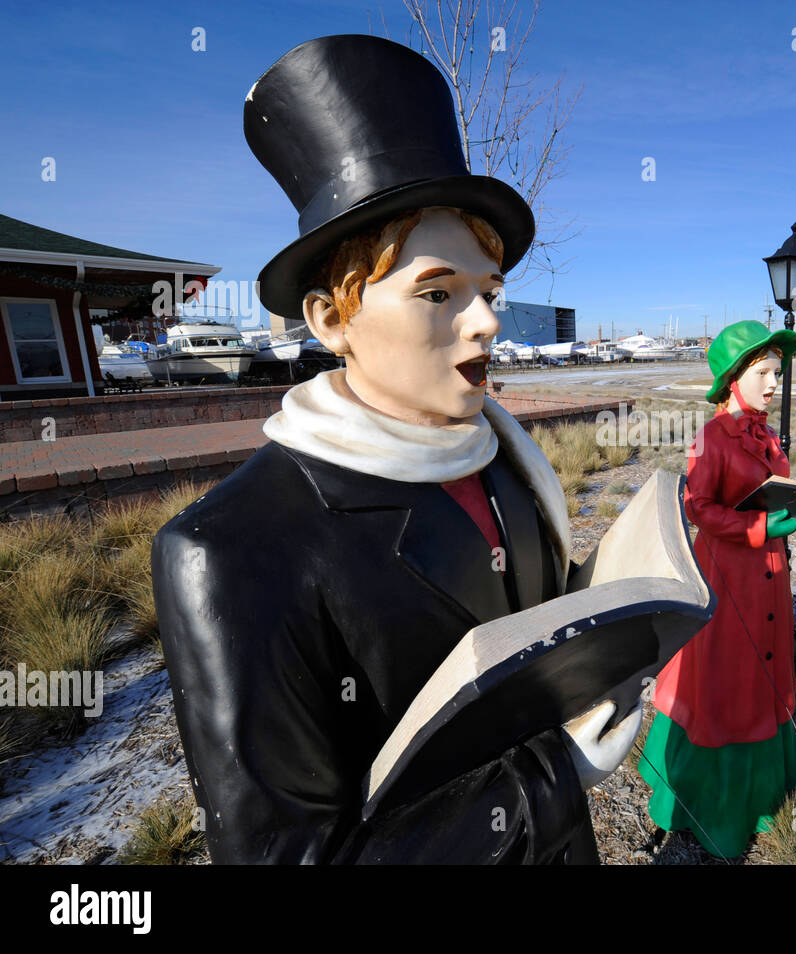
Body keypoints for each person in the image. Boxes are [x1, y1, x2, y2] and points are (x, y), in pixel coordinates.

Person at [152, 35, 639, 865]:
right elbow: (295, 856)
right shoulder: (231, 550)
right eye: (438, 292)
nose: (485, 321)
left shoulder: (504, 463)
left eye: (488, 292)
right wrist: (556, 773)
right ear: (330, 320)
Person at [637, 320, 796, 859]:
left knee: (765, 664)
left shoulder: (765, 433)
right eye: (762, 373)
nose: (772, 384)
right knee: (726, 675)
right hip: (729, 576)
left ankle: (760, 791)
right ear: (733, 377)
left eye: (776, 374)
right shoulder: (710, 437)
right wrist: (758, 528)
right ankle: (706, 806)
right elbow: (698, 508)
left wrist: (792, 508)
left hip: (770, 574)